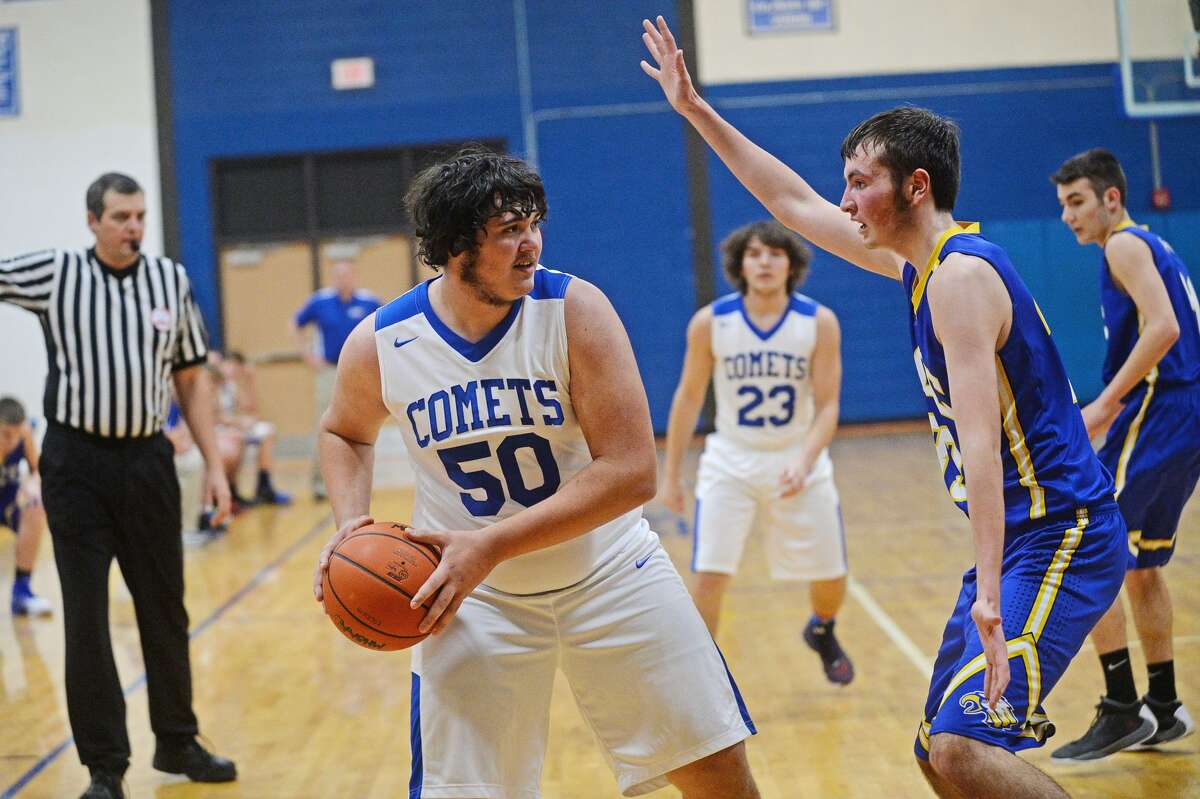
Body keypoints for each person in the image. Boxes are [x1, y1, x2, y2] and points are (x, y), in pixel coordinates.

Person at [641, 17, 1128, 798]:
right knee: (937, 752)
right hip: (1036, 534)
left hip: (1062, 530)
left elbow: (980, 446)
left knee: (965, 748)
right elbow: (791, 200)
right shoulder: (918, 262)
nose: (846, 198)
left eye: (860, 181)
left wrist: (992, 599)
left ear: (915, 185)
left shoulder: (960, 280)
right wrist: (696, 109)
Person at [312, 148, 759, 798]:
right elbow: (343, 431)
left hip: (610, 571)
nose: (530, 245)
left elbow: (633, 470)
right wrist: (351, 523)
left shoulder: (575, 310)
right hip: (471, 600)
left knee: (718, 773)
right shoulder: (383, 341)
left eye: (532, 225)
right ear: (453, 248)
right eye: (507, 233)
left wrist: (490, 544)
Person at [0, 172, 236, 799]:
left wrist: (213, 464)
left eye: (139, 215)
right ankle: (105, 767)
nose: (133, 227)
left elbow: (191, 378)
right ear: (92, 221)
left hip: (148, 461)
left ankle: (179, 741)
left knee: (164, 606)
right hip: (76, 464)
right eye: (120, 217)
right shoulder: (56, 273)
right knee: (85, 615)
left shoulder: (170, 279)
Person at [1049, 148, 1199, 759]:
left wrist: (1106, 404)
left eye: (1077, 201)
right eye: (1061, 205)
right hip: (1183, 415)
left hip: (1162, 410)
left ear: (1112, 198)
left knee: (1087, 542)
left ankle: (1120, 706)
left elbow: (1162, 327)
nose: (1067, 216)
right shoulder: (1153, 247)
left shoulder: (1124, 245)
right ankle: (1163, 707)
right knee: (1141, 563)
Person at [661, 219, 853, 685]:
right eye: (754, 254)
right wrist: (670, 475)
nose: (764, 262)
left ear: (791, 264)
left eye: (774, 253)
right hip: (731, 459)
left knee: (831, 576)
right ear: (740, 265)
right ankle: (703, 676)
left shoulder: (819, 322)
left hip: (797, 456)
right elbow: (688, 396)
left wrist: (805, 459)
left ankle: (821, 628)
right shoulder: (711, 322)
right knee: (709, 571)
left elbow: (828, 406)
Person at [293, 260, 381, 499]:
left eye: (347, 275)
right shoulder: (319, 301)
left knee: (361, 426)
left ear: (355, 276)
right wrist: (307, 355)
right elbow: (297, 324)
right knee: (325, 425)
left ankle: (358, 484)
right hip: (329, 372)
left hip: (360, 371)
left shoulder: (369, 301)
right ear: (333, 278)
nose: (343, 279)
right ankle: (320, 485)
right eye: (339, 275)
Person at [211, 350, 290, 507]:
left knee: (267, 431)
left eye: (237, 366)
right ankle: (231, 490)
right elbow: (214, 417)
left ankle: (264, 485)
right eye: (230, 365)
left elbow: (252, 409)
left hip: (231, 427)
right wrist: (238, 422)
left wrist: (250, 381)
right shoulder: (213, 384)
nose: (232, 369)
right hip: (218, 429)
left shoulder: (232, 385)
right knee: (236, 438)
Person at [0, 396, 53, 616]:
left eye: (15, 434)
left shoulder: (25, 435)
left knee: (36, 506)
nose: (11, 441)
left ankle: (22, 593)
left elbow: (36, 471)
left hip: (7, 503)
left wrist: (33, 485)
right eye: (5, 434)